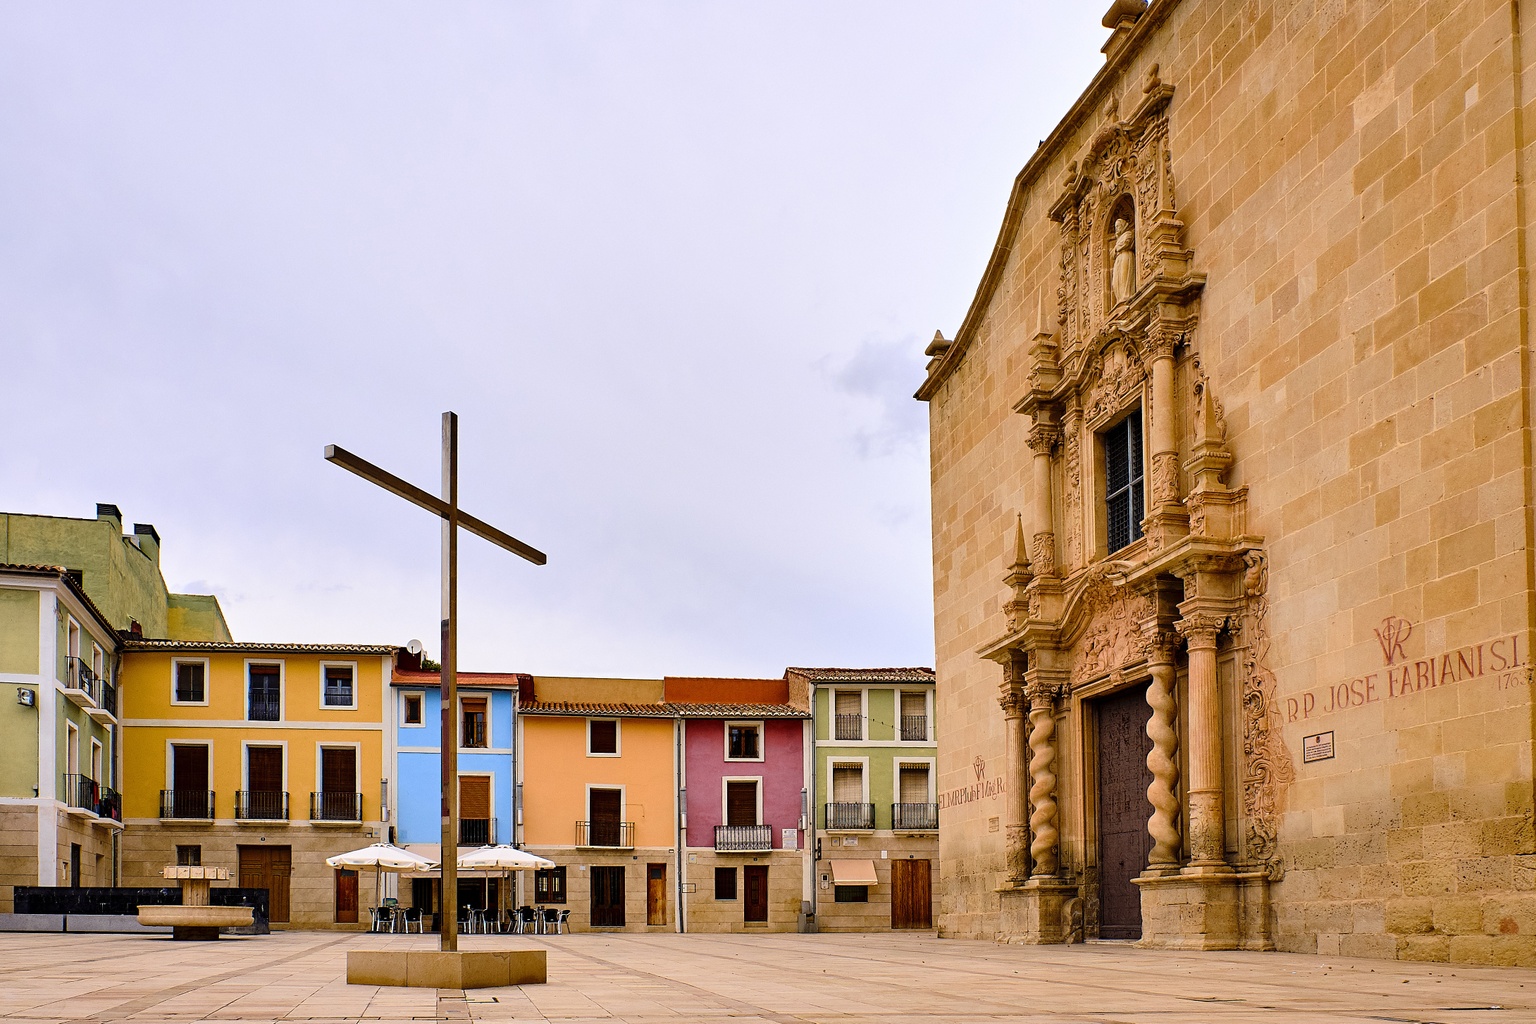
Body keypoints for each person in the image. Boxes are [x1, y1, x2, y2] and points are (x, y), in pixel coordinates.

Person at [1111, 216, 1136, 304]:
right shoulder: (1118, 240)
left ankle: (1126, 296)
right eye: (1115, 227)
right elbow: (1112, 254)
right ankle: (1119, 299)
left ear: (1123, 226)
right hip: (1119, 259)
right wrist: (1116, 249)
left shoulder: (1128, 234)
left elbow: (1126, 243)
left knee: (1124, 277)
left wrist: (1116, 249)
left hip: (1126, 256)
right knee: (1115, 282)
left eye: (1118, 226)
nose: (1116, 229)